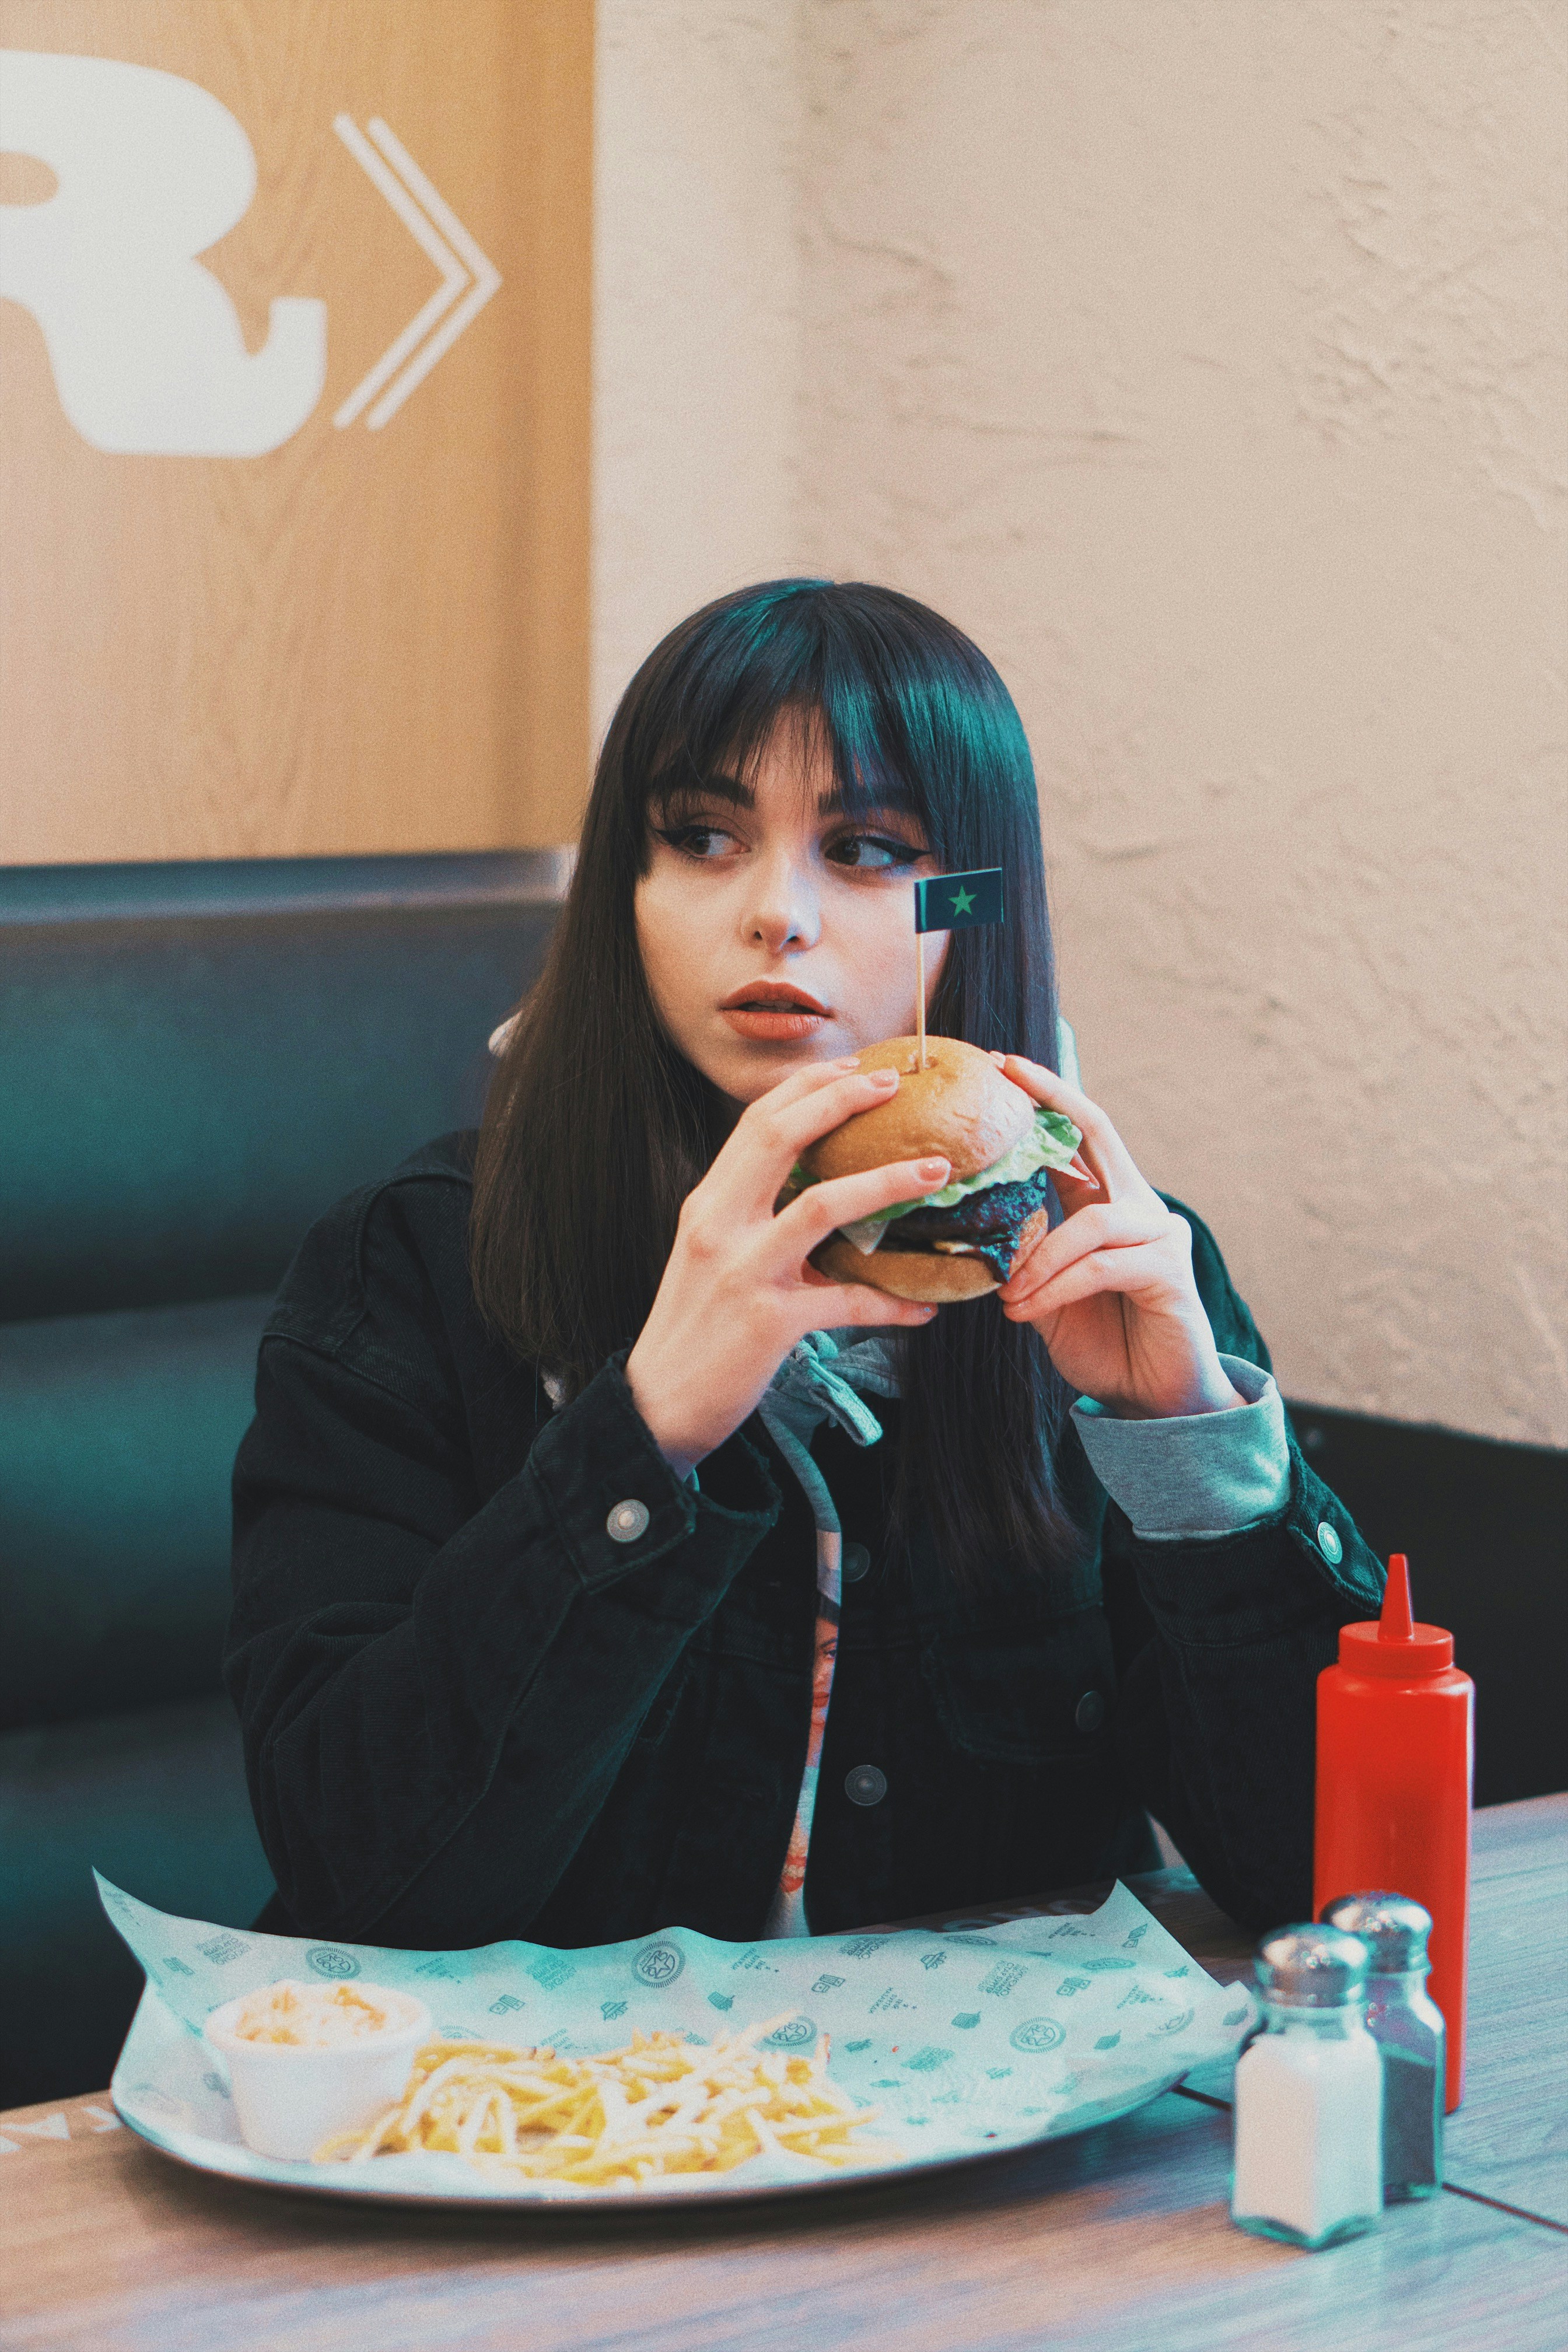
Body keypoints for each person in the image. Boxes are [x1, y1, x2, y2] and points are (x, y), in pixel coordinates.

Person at [228, 579, 1384, 1955]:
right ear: (627, 890)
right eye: (704, 837)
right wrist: (647, 1430)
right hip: (552, 2136)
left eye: (872, 850)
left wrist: (1190, 1445)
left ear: (976, 903)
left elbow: (1336, 1897)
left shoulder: (1113, 1270)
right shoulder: (415, 1260)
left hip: (995, 2139)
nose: (779, 913)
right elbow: (364, 1882)